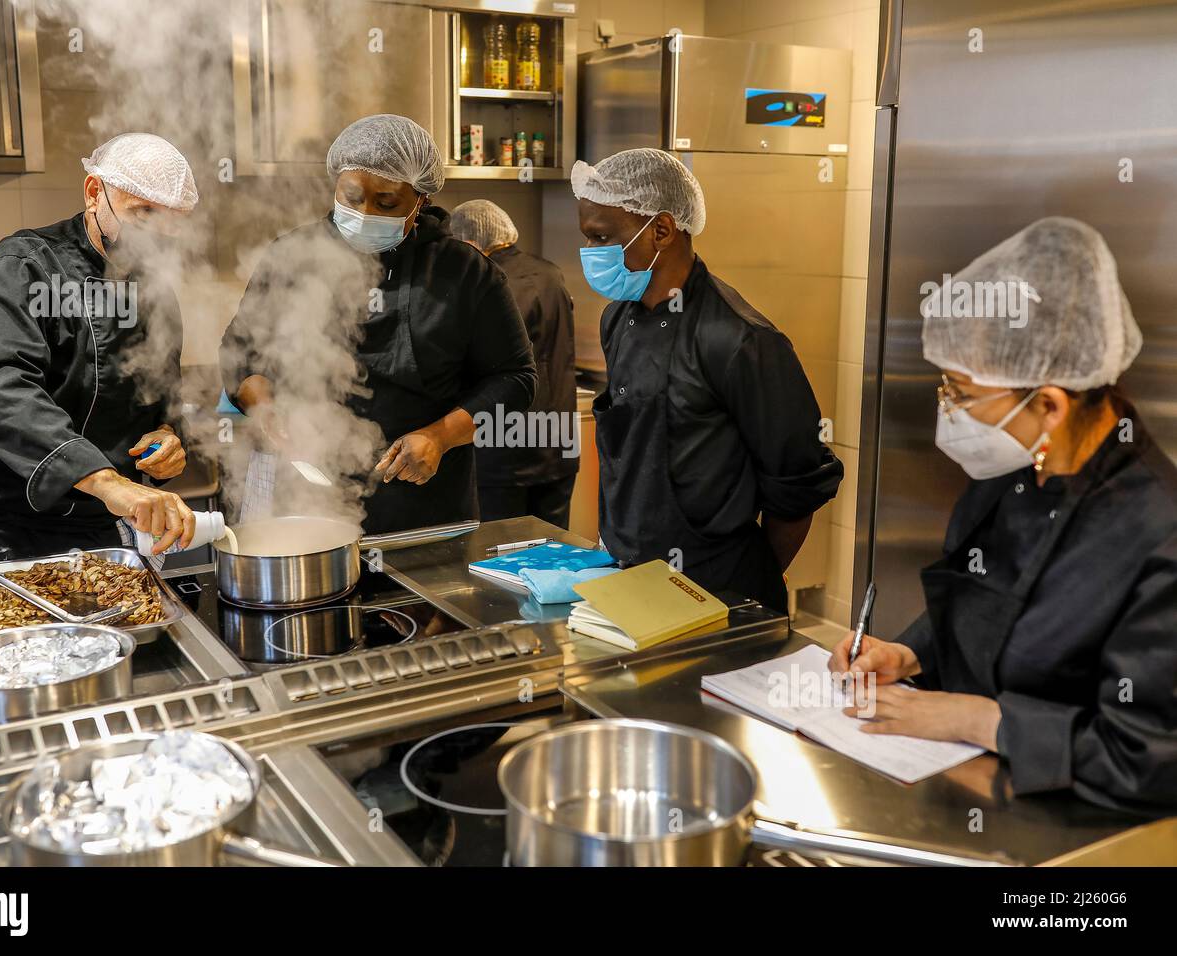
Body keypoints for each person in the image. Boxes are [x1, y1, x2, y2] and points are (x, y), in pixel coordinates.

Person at [829, 217, 1177, 813]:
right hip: (954, 785)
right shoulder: (1010, 471)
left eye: (961, 396)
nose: (949, 411)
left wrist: (978, 720)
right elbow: (982, 601)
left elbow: (1144, 757)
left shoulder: (1156, 533)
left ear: (1048, 405)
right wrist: (909, 653)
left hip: (1071, 828)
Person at [220, 114, 536, 535]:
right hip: (304, 494)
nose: (365, 212)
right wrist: (266, 407)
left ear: (420, 200)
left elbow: (515, 379)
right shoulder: (290, 258)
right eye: (351, 197)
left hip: (423, 503)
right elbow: (240, 354)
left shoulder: (465, 273)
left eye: (386, 203)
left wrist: (440, 437)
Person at [0, 132, 200, 569]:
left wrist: (170, 436)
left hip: (92, 528)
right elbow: (1, 386)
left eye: (170, 221)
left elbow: (161, 396)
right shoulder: (20, 268)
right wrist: (105, 481)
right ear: (94, 193)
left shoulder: (155, 294)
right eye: (142, 212)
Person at [572, 148, 843, 612]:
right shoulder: (618, 318)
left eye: (602, 239)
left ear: (661, 230)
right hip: (630, 580)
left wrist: (742, 585)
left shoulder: (739, 340)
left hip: (718, 588)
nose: (592, 254)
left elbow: (797, 486)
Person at [449, 199, 579, 529]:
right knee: (553, 553)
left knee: (501, 559)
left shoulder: (487, 283)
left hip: (503, 451)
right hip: (557, 443)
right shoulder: (551, 272)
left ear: (469, 242)